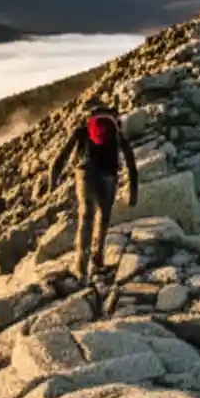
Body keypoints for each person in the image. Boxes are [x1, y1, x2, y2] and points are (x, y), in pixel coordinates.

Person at [44, 98, 140, 280]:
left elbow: (59, 159)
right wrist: (133, 193)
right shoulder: (116, 132)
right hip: (108, 178)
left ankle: (81, 268)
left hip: (85, 176)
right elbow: (130, 161)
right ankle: (98, 261)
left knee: (86, 218)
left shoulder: (82, 130)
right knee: (102, 219)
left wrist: (52, 183)